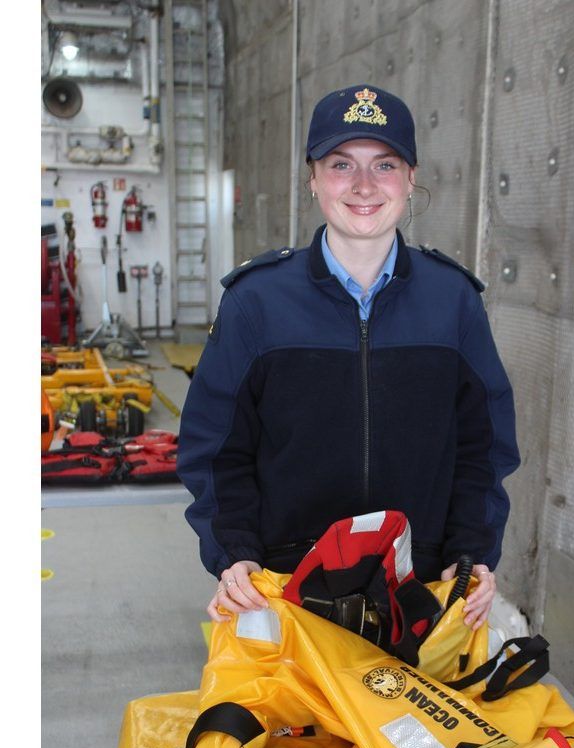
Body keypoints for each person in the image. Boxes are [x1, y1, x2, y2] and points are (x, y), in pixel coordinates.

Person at [177, 84, 521, 629]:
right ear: (313, 178)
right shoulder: (256, 301)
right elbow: (215, 447)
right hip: (284, 586)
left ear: (410, 179)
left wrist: (471, 551)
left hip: (419, 584)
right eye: (341, 164)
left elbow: (483, 444)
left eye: (384, 164)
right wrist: (234, 553)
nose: (363, 185)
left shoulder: (453, 299)